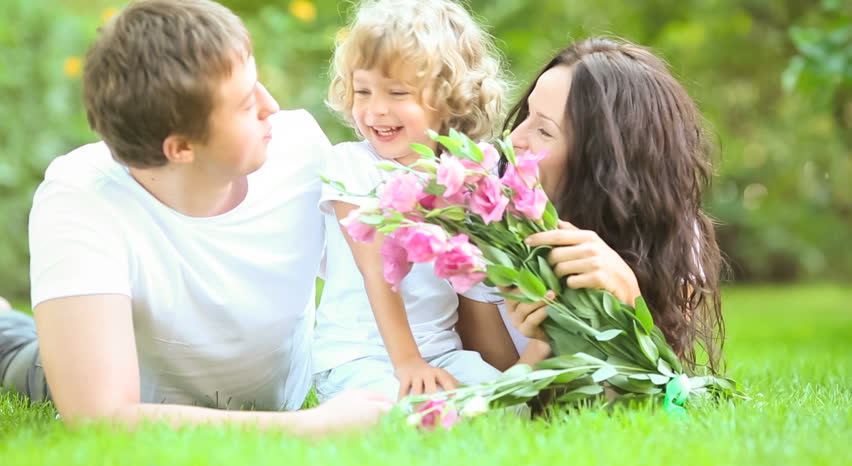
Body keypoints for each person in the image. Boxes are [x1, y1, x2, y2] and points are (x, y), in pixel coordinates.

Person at [0, 0, 392, 433]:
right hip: (93, 360)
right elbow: (101, 415)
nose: (272, 106)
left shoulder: (299, 149)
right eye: (245, 104)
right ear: (182, 147)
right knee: (13, 348)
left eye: (257, 82)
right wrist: (311, 427)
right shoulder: (82, 198)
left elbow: (383, 275)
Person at [313, 0, 517, 403]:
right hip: (361, 356)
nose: (376, 109)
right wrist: (408, 363)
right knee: (409, 413)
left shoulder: (463, 174)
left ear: (450, 99)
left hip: (441, 352)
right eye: (362, 91)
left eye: (397, 93)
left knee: (501, 404)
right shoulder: (352, 164)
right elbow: (377, 271)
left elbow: (475, 282)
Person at [493, 38, 725, 371]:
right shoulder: (484, 222)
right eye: (527, 114)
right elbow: (498, 389)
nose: (513, 138)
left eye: (544, 130)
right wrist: (546, 341)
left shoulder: (672, 235)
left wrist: (628, 296)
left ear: (599, 159)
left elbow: (660, 382)